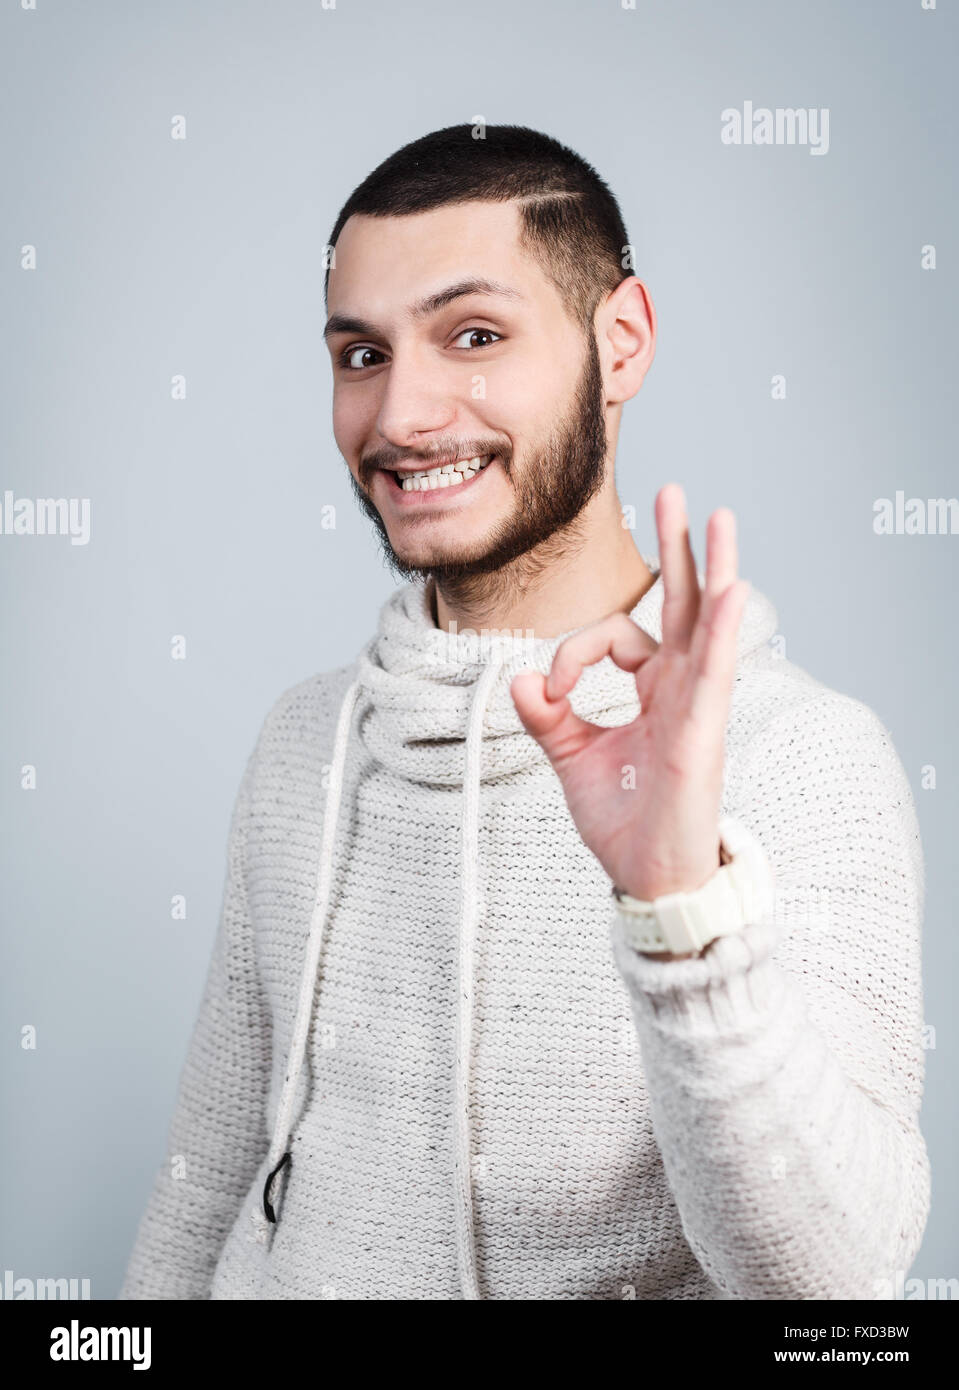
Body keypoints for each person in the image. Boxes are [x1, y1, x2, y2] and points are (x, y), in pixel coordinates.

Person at [119, 124, 930, 1300]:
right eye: (360, 354)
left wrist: (677, 905)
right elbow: (207, 1180)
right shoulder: (307, 741)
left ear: (621, 341)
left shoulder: (803, 755)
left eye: (476, 336)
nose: (400, 417)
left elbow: (831, 1285)